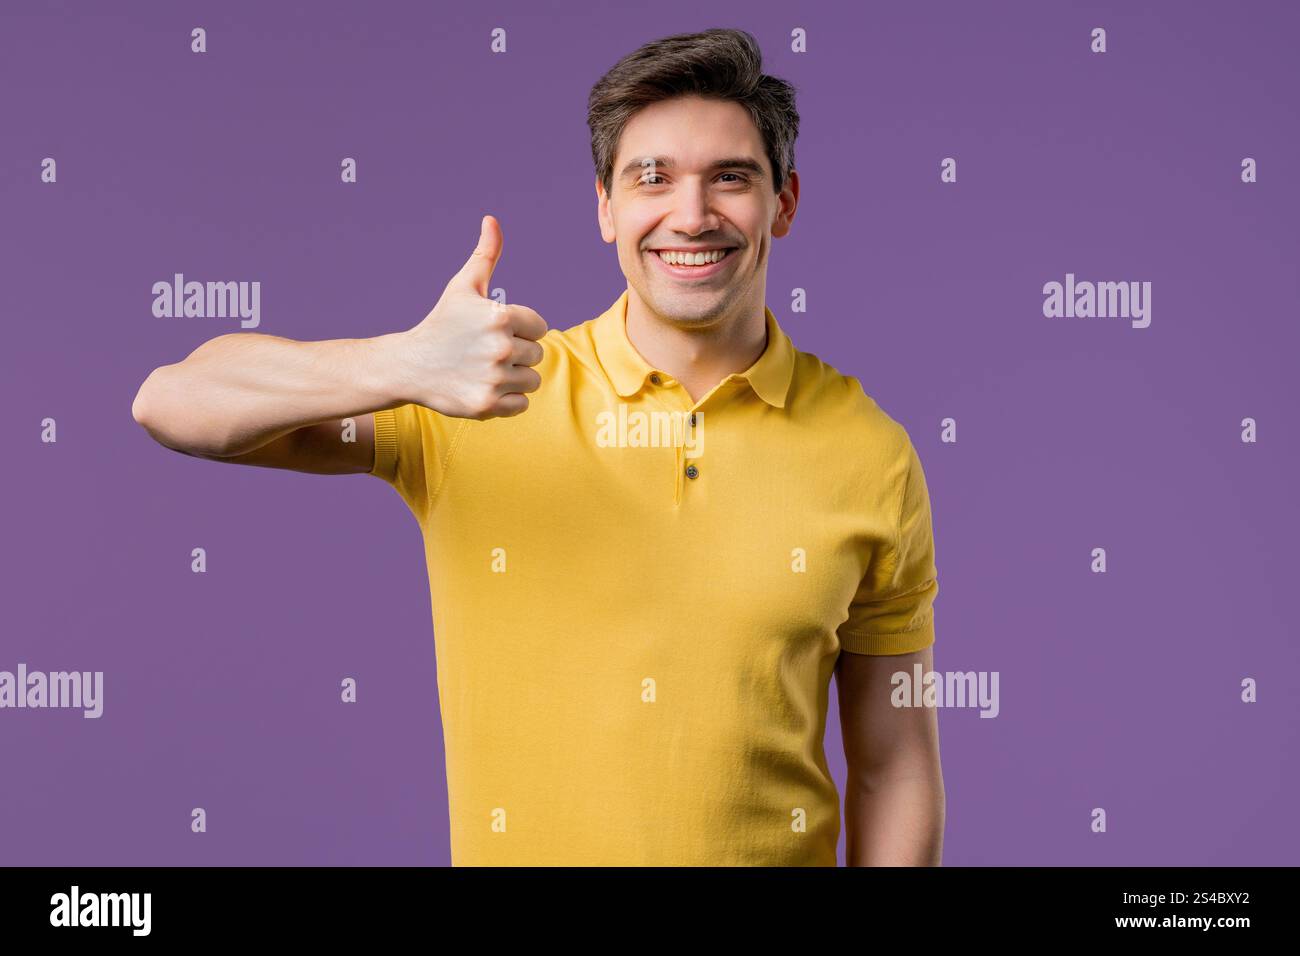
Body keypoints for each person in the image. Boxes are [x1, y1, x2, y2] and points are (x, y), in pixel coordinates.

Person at [132, 27, 944, 866]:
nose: (691, 215)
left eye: (730, 178)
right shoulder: (477, 392)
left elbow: (894, 764)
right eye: (652, 178)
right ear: (605, 207)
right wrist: (403, 364)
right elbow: (174, 402)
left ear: (784, 202)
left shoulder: (871, 454)